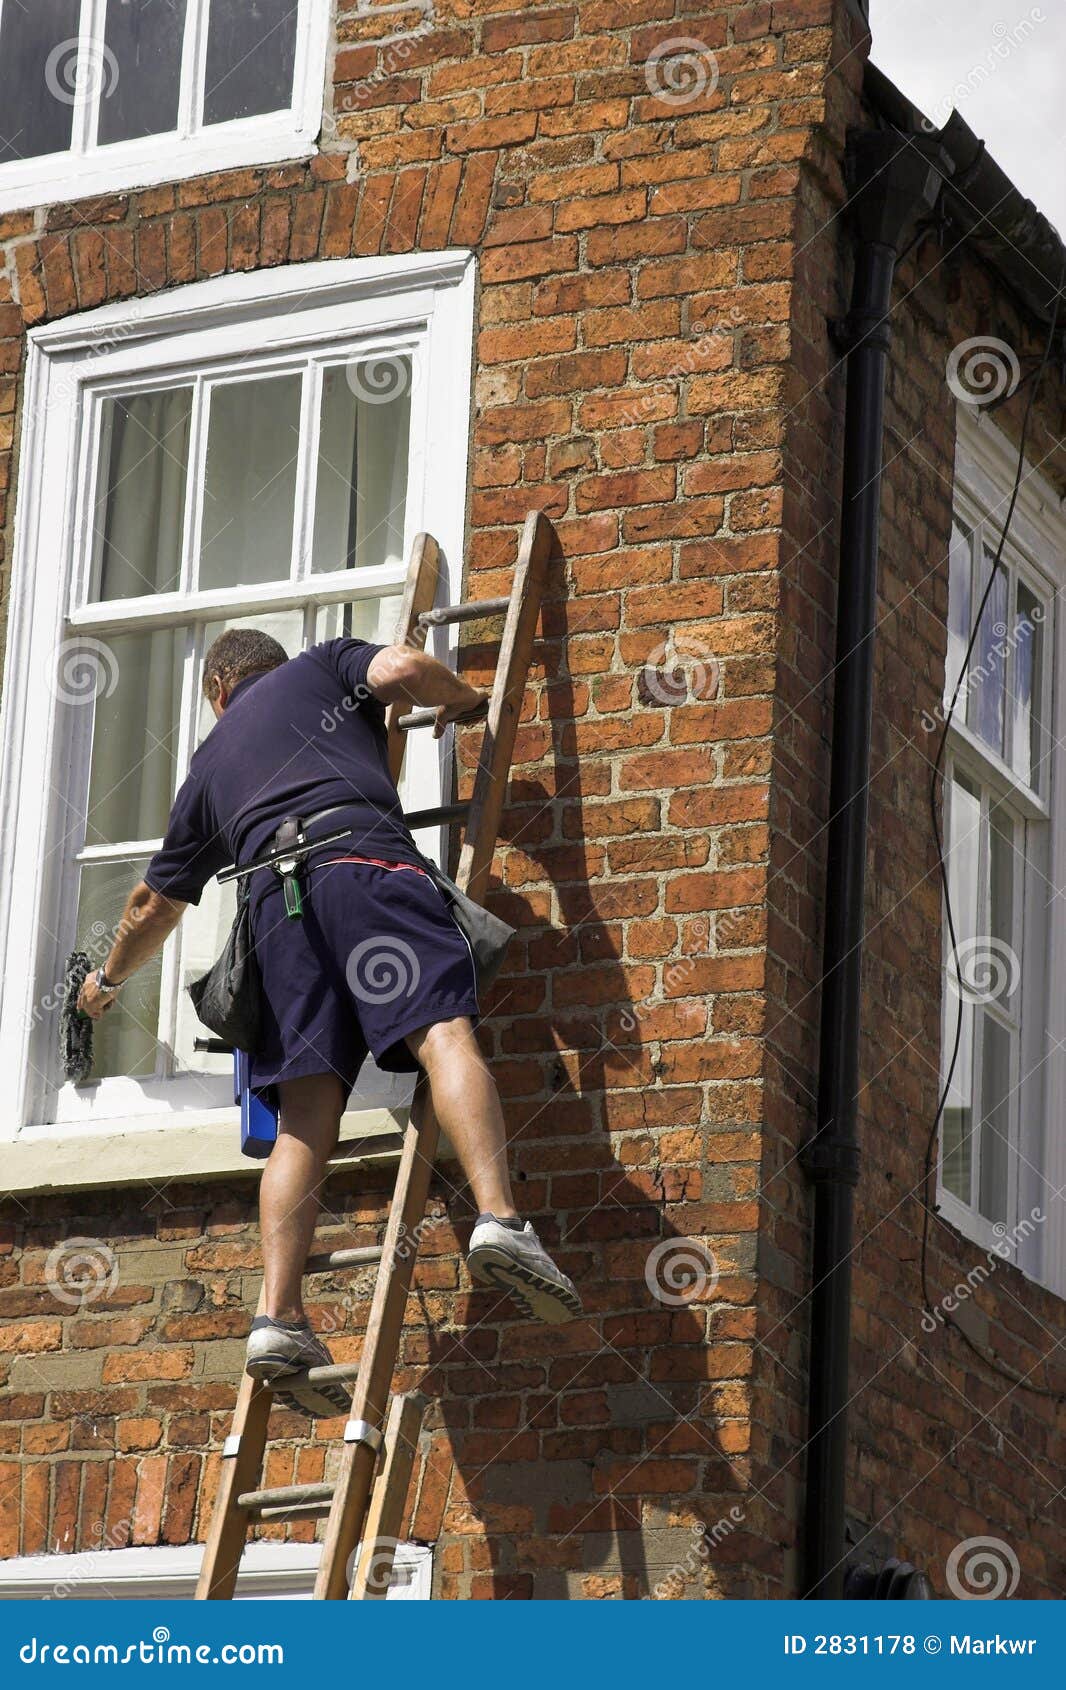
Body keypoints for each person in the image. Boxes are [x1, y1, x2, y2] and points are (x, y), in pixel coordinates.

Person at [77, 629, 580, 1414]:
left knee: (304, 1119)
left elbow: (152, 905)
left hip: (274, 915)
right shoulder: (323, 665)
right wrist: (465, 700)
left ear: (218, 692)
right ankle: (500, 1220)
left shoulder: (207, 766)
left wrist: (105, 982)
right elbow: (404, 669)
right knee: (443, 1034)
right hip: (363, 867)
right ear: (273, 668)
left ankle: (277, 1317)